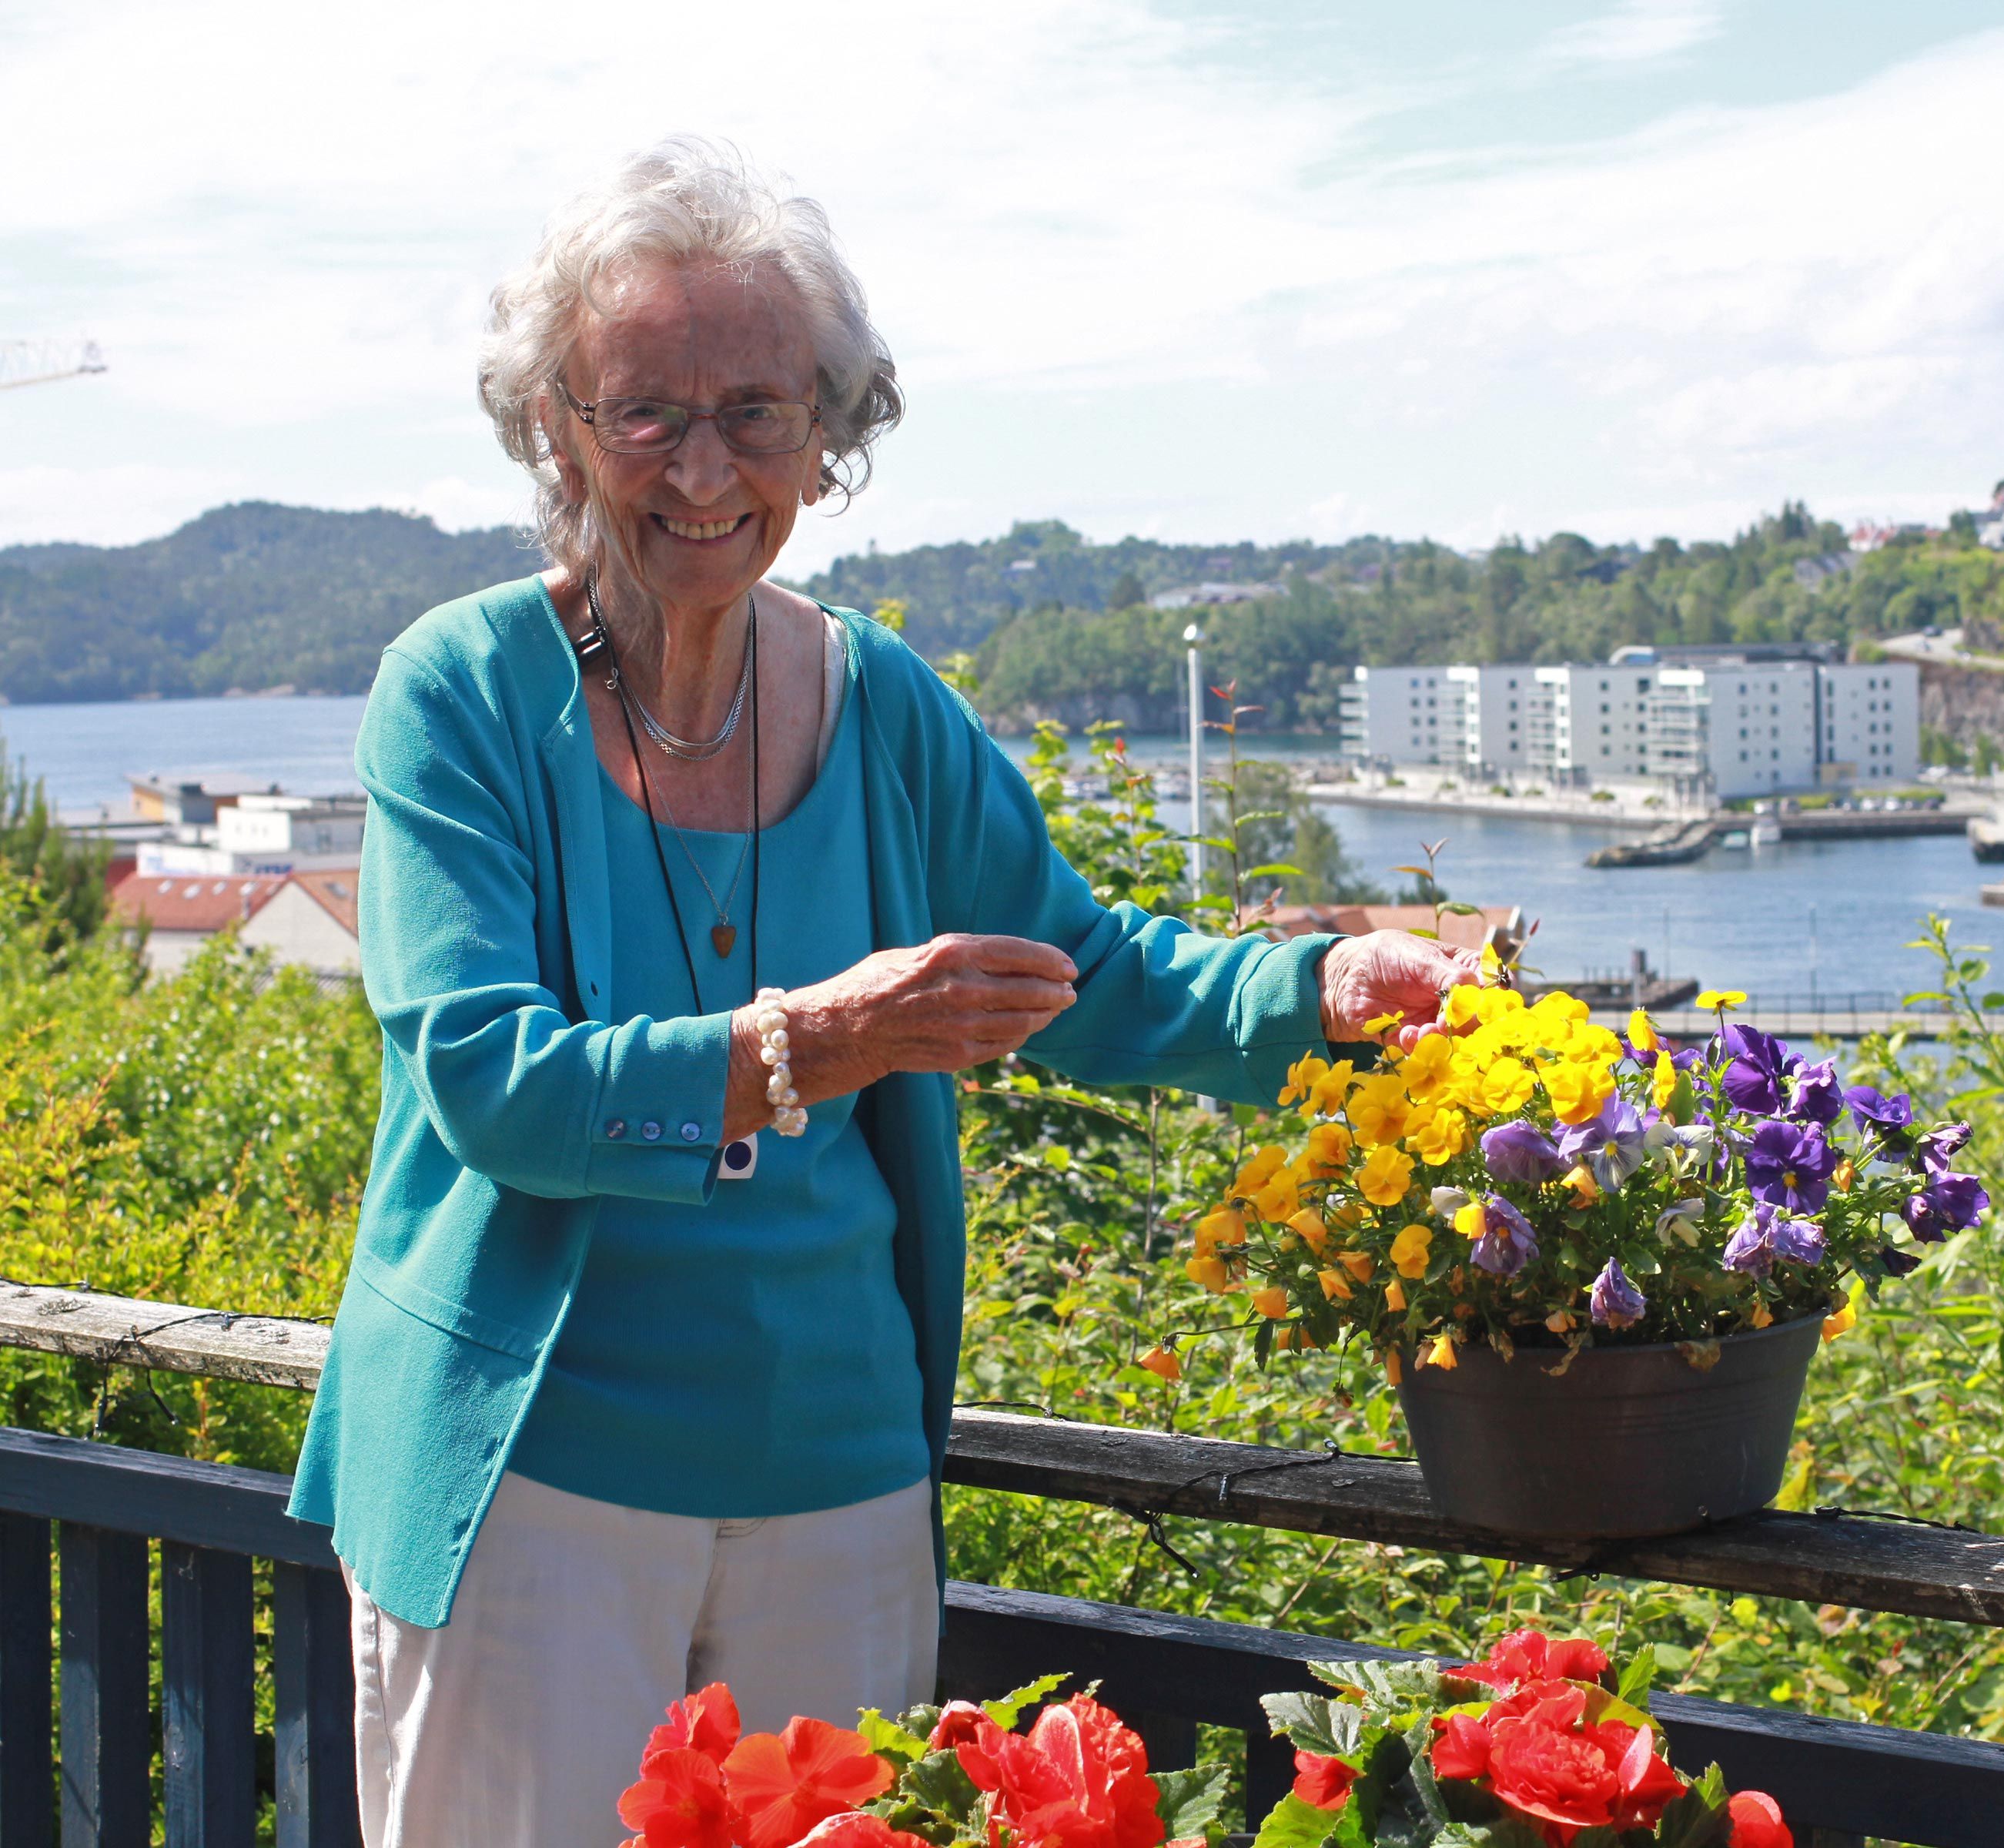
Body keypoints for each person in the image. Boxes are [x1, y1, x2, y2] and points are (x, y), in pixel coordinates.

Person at [285, 137, 1470, 1846]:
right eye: (646, 415)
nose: (705, 469)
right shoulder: (460, 693)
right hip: (531, 1484)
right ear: (556, 427)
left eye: (758, 412)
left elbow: (1078, 970)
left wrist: (1324, 984)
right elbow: (493, 1083)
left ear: (830, 433)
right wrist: (810, 1042)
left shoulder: (884, 702)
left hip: (837, 1483)